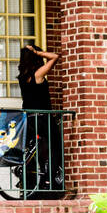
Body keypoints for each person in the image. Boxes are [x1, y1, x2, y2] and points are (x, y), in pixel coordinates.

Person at [17, 43, 62, 191]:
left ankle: (31, 180)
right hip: (43, 118)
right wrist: (38, 52)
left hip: (29, 118)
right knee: (56, 147)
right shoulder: (38, 74)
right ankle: (48, 180)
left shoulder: (23, 76)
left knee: (36, 150)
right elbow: (55, 57)